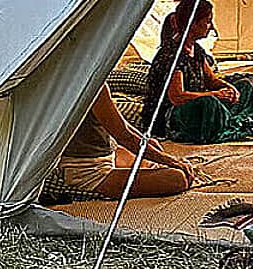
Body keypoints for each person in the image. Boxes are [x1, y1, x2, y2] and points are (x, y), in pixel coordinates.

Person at [141, 0, 253, 142]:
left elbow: (212, 80)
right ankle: (229, 124)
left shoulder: (197, 50)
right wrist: (215, 94)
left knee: (245, 86)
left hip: (198, 104)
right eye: (207, 21)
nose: (211, 26)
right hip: (171, 116)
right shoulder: (172, 54)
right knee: (209, 103)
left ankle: (228, 122)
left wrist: (228, 88)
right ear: (193, 24)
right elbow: (177, 97)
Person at [54, 83, 195, 199]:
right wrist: (172, 161)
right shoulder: (92, 86)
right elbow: (125, 137)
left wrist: (145, 140)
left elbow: (123, 127)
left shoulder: (75, 80)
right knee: (178, 178)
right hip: (87, 170)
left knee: (152, 146)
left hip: (106, 155)